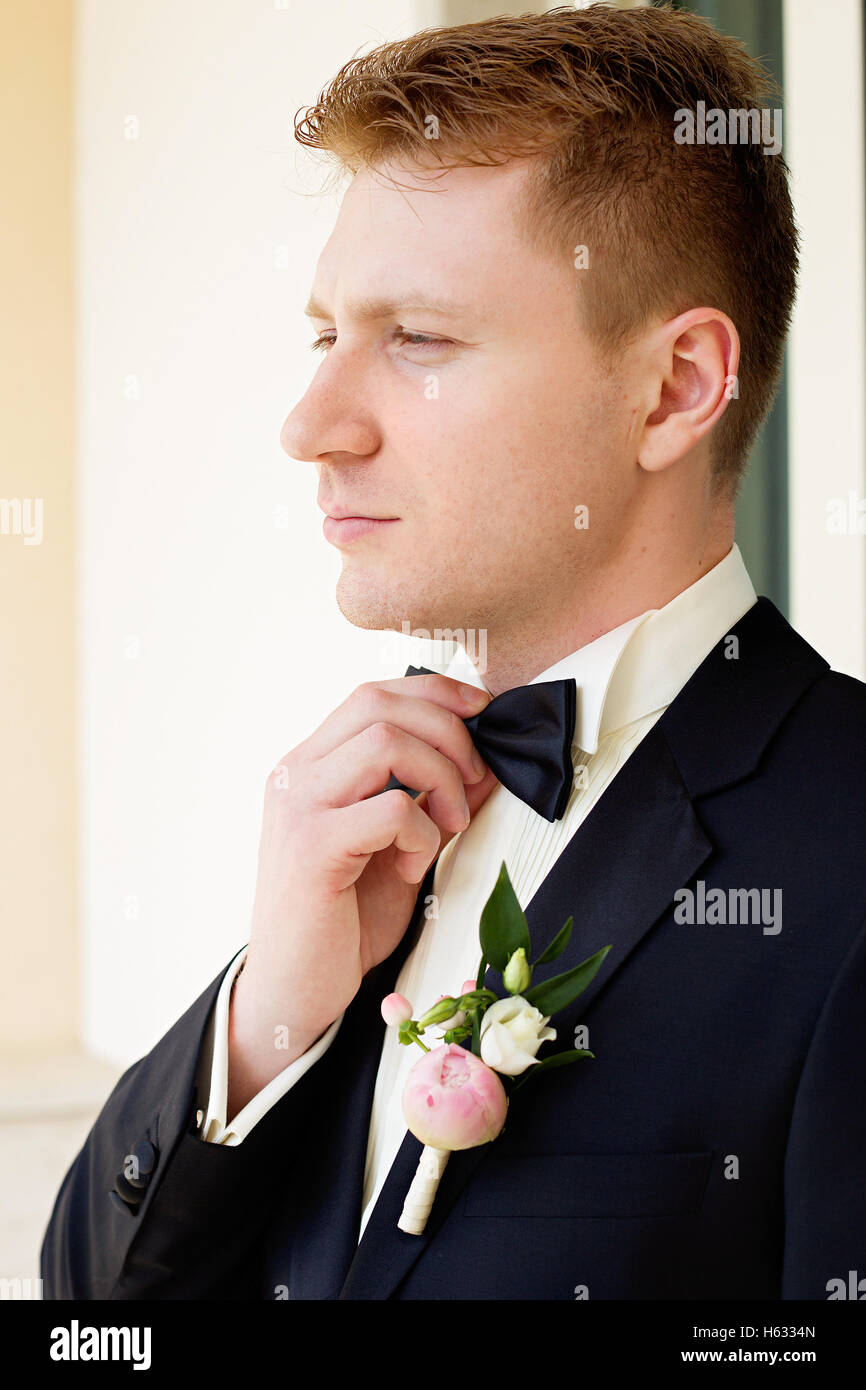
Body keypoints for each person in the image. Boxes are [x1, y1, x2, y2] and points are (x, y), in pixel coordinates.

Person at [42, 3, 866, 1300]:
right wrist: (270, 1014)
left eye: (416, 339)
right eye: (326, 334)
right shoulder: (362, 825)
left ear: (672, 387)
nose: (311, 423)